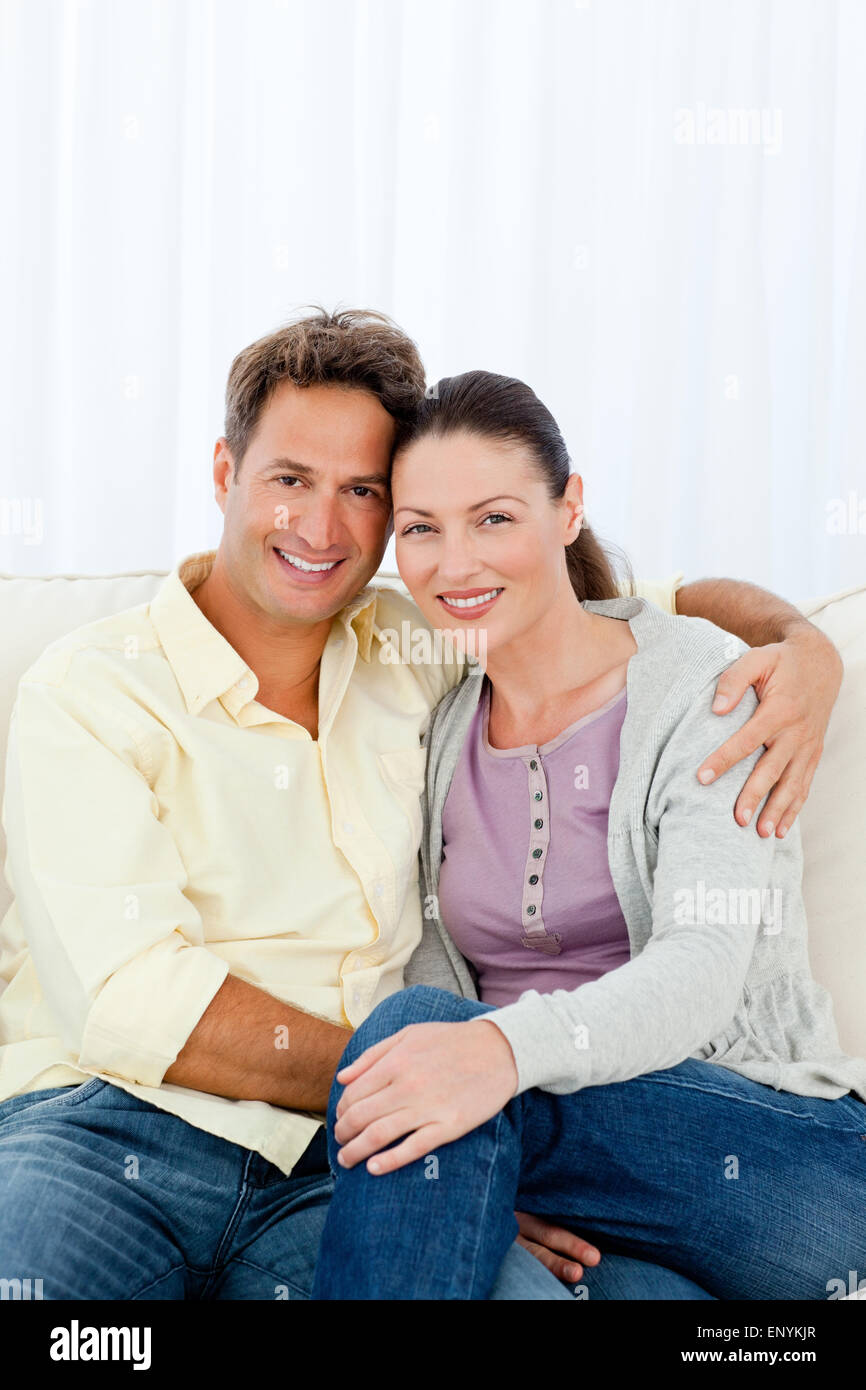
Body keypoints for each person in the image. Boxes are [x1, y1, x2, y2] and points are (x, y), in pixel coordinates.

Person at [0, 312, 845, 1301]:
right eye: (288, 480)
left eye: (360, 492)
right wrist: (432, 1089)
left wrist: (805, 649)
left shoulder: (425, 643)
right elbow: (128, 999)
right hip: (115, 1124)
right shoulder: (93, 686)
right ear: (224, 473)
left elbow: (627, 603)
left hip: (352, 1155)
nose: (319, 528)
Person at [310, 369, 866, 1302]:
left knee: (408, 1046)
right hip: (579, 1195)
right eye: (420, 530)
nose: (455, 565)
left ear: (569, 509)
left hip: (774, 1160)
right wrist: (479, 1158)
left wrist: (497, 1066)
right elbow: (442, 974)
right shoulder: (441, 722)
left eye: (494, 519)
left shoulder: (706, 686)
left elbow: (702, 966)